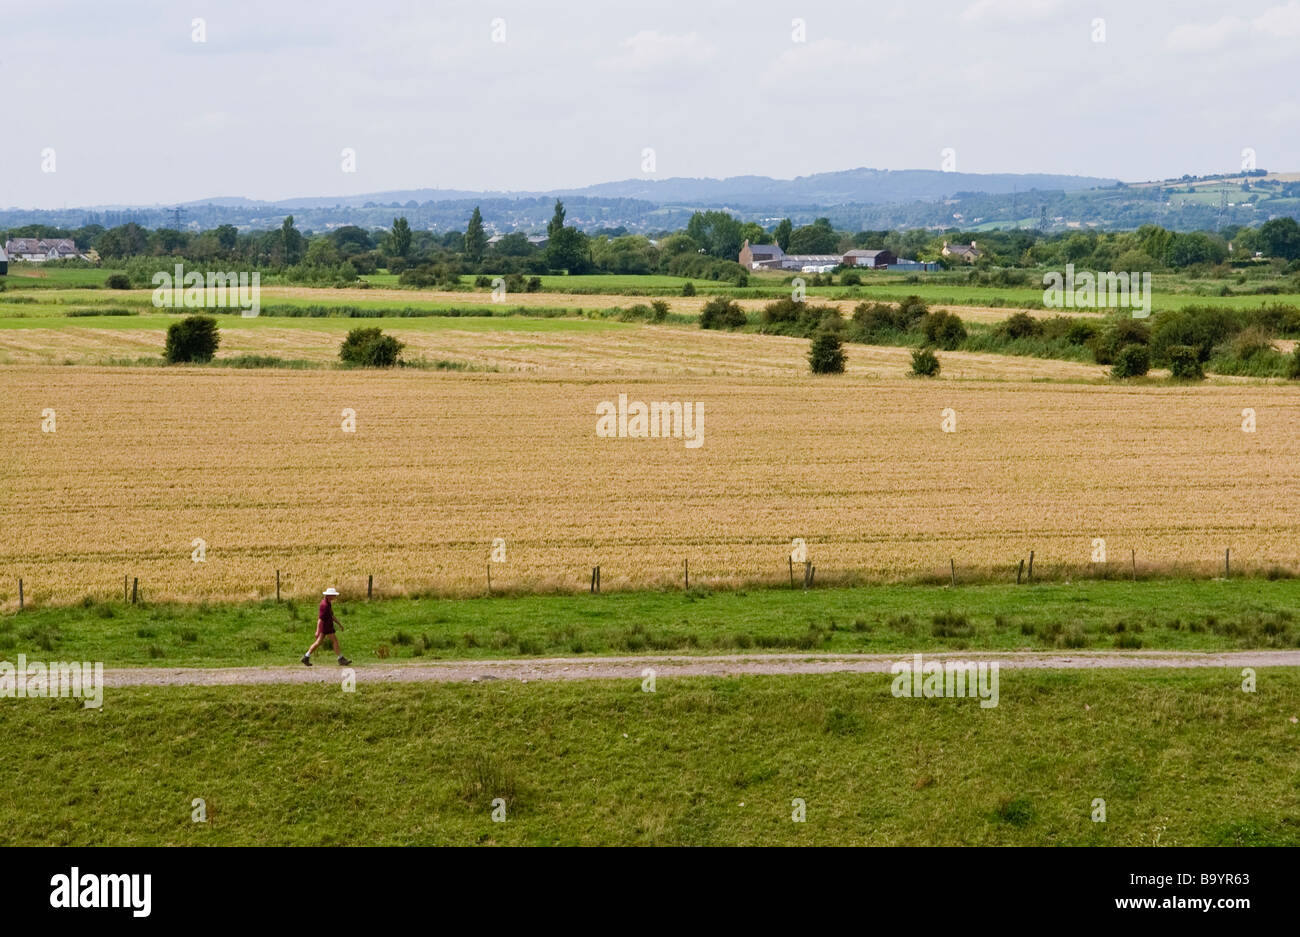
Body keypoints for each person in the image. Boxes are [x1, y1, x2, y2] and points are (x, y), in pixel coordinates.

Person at [302, 587, 351, 666]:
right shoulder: (324, 605)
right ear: (329, 596)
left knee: (318, 642)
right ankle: (340, 658)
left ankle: (306, 656)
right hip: (326, 627)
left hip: (327, 627)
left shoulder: (328, 603)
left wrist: (339, 624)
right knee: (334, 641)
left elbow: (331, 616)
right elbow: (320, 619)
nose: (335, 597)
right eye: (333, 595)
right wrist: (317, 631)